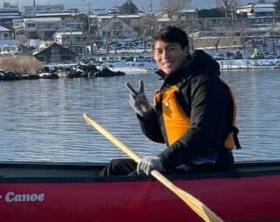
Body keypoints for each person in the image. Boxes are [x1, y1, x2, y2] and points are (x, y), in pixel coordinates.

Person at [100, 26, 240, 177]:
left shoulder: (205, 84)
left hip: (208, 167)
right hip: (180, 162)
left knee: (135, 178)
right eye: (159, 51)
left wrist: (163, 159)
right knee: (116, 168)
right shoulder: (170, 87)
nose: (165, 56)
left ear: (186, 50)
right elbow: (161, 136)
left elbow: (203, 133)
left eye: (171, 49)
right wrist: (147, 114)